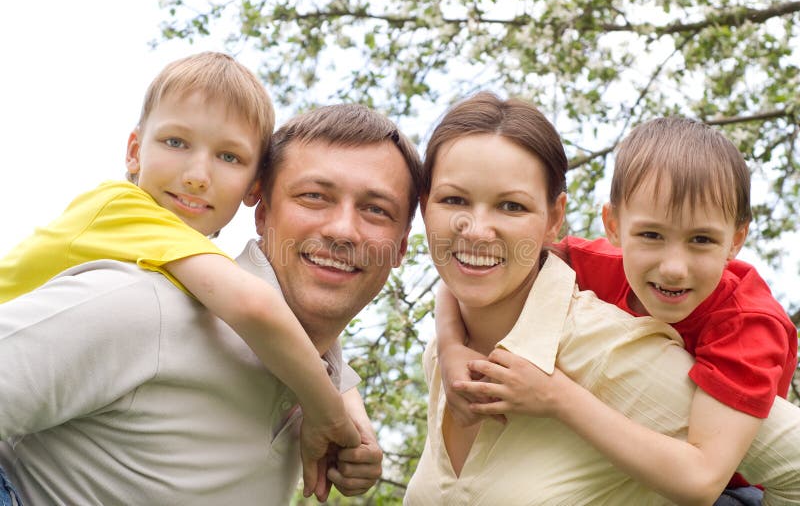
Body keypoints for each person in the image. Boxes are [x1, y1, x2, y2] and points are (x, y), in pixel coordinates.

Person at [0, 102, 424, 504]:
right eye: (314, 196)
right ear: (261, 212)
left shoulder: (317, 382)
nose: (343, 230)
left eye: (375, 209)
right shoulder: (145, 306)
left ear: (401, 246)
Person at [404, 91, 800, 505]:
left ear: (736, 240)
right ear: (613, 226)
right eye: (650, 235)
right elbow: (478, 266)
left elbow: (703, 480)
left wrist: (557, 397)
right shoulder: (593, 264)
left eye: (701, 240)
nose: (673, 267)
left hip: (730, 485)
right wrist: (450, 347)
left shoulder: (748, 326)